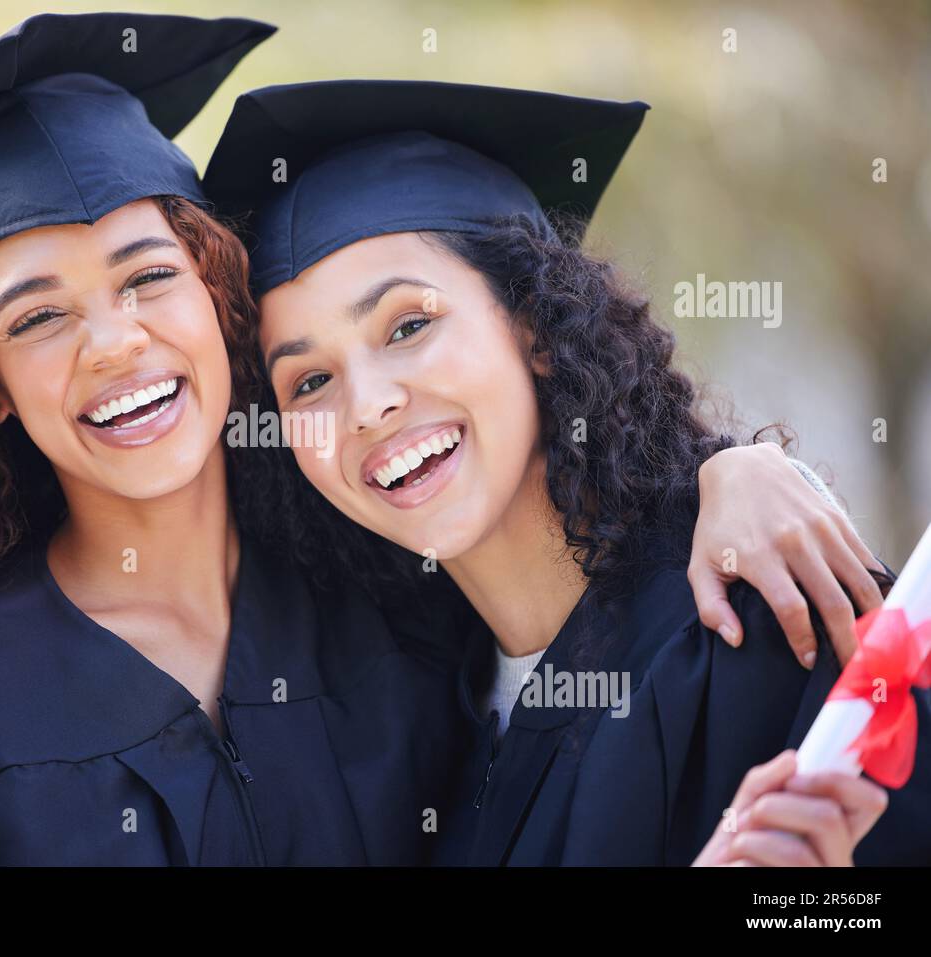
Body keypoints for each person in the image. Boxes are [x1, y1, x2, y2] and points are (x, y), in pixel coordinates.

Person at [0, 25, 884, 867]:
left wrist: (721, 466)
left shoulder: (408, 615)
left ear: (216, 314)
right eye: (38, 317)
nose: (114, 344)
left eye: (147, 278)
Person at [205, 78, 929, 865]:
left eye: (408, 325)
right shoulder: (426, 720)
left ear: (538, 327)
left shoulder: (752, 615)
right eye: (308, 382)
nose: (367, 405)